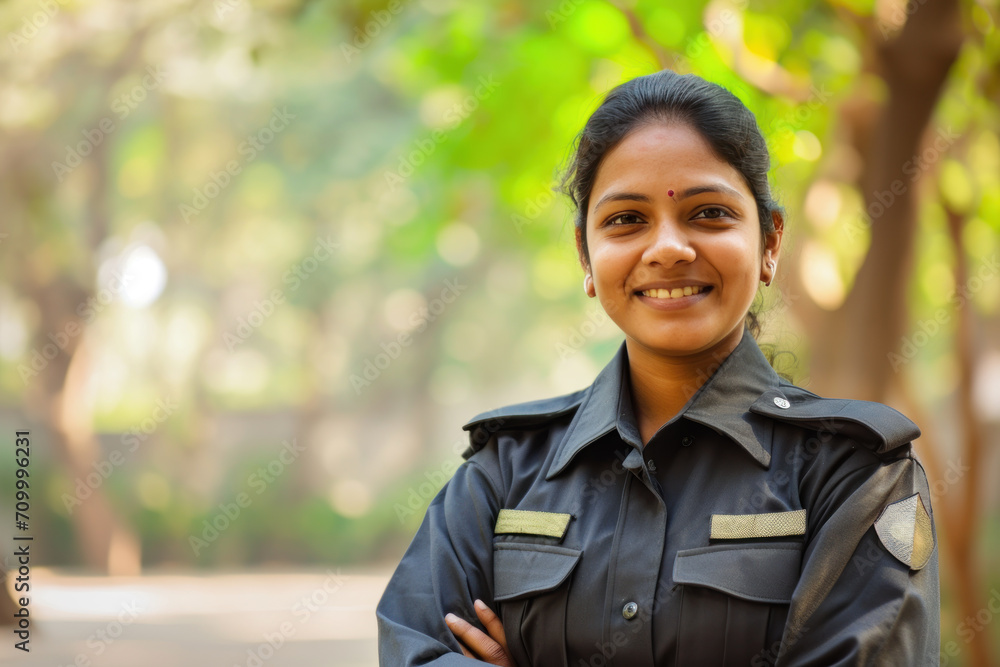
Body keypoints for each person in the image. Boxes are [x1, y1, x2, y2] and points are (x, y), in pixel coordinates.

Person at [376, 69, 939, 666]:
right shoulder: (506, 470)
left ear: (770, 242)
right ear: (585, 255)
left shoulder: (852, 474)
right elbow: (415, 647)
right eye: (626, 220)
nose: (668, 247)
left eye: (709, 213)